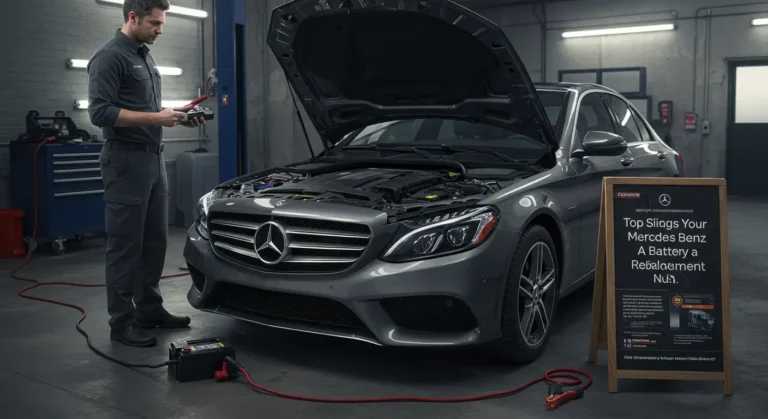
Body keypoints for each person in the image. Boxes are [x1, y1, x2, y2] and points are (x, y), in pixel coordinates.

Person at [87, 0, 204, 347]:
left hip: (153, 160)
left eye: (162, 23)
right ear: (132, 17)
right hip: (125, 162)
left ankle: (149, 309)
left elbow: (147, 108)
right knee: (125, 245)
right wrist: (157, 118)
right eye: (154, 23)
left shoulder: (143, 55)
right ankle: (121, 323)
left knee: (155, 241)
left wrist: (179, 114)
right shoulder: (109, 56)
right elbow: (100, 112)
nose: (160, 30)